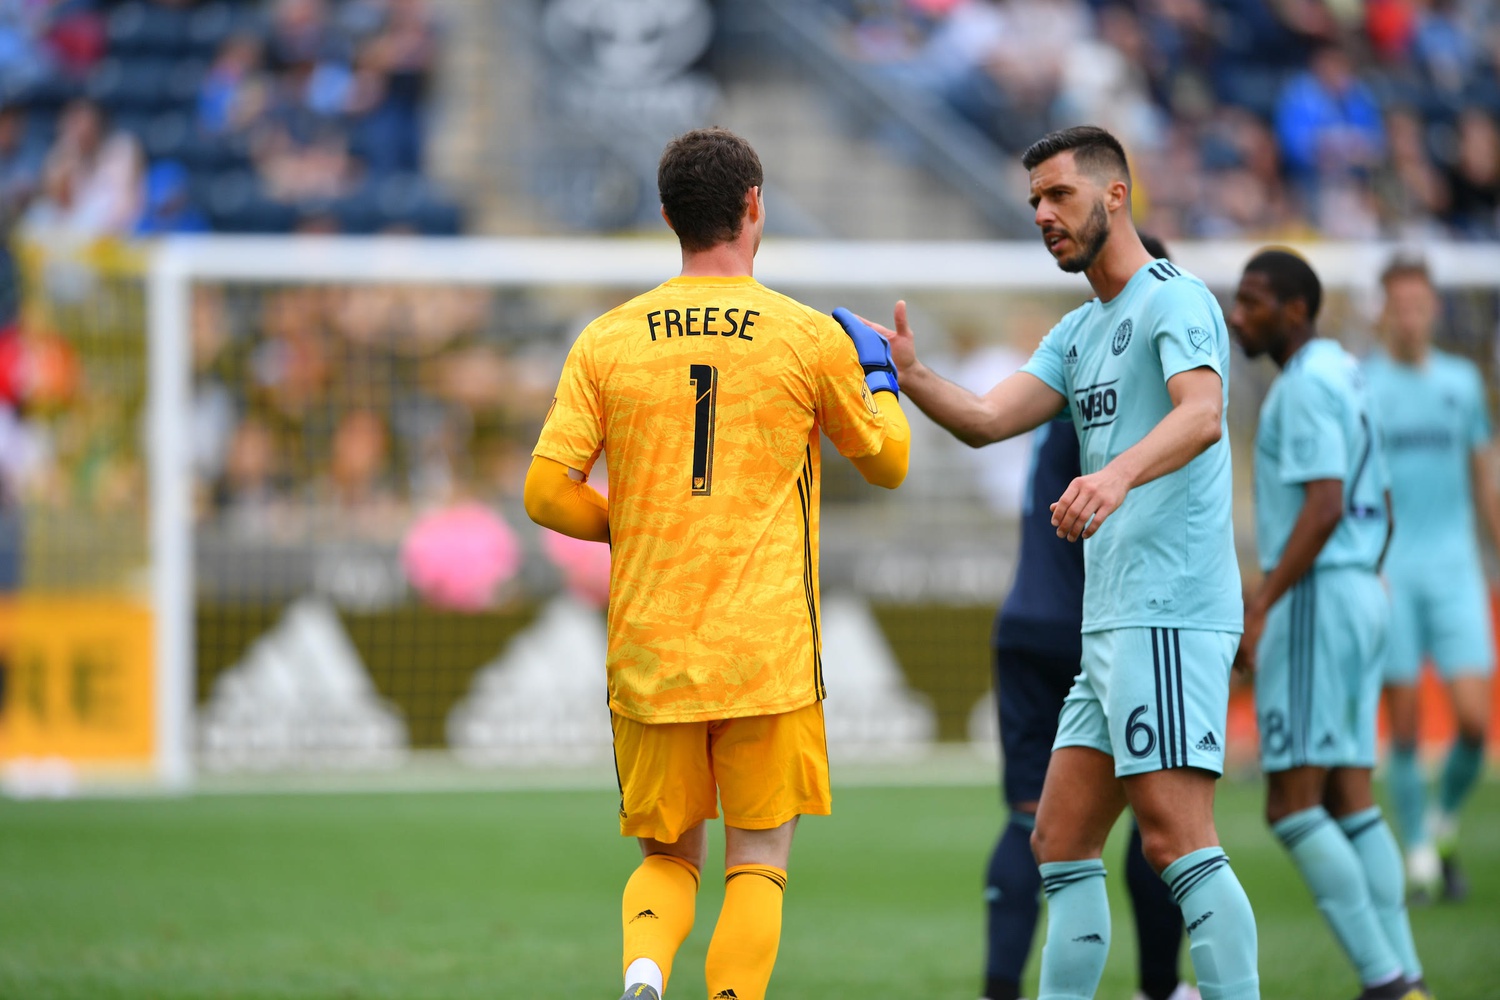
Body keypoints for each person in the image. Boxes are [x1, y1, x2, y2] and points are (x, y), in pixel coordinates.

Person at [842, 124, 1259, 1000]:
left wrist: (1110, 473)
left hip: (1170, 612)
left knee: (1176, 840)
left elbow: (1201, 414)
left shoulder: (1174, 301)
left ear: (1115, 195)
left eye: (1058, 195)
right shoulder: (1079, 331)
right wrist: (910, 376)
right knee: (1059, 839)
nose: (1042, 214)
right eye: (1034, 200)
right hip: (1105, 624)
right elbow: (990, 418)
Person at [523, 126, 910, 1000]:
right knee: (759, 859)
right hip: (766, 654)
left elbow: (546, 494)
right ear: (754, 207)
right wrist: (881, 375)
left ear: (667, 217)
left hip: (653, 647)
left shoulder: (607, 339)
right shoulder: (807, 337)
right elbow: (888, 465)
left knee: (668, 854)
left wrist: (640, 525)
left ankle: (646, 971)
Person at [979, 234, 1197, 1000]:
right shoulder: (1126, 389)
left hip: (1023, 621)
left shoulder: (1069, 378)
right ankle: (1165, 985)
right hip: (1097, 625)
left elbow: (987, 422)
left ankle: (1001, 988)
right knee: (1160, 823)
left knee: (1032, 821)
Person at [1228, 249, 1428, 1000]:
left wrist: (1264, 601)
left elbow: (1323, 504)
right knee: (1351, 796)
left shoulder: (1305, 387)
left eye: (1253, 302)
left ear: (1297, 311)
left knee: (1291, 804)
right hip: (1362, 588)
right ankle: (1406, 976)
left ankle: (1385, 981)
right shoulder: (1348, 372)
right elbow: (1377, 500)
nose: (1237, 315)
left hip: (1317, 594)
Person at [1362, 255, 1500, 902]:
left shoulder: (1462, 383)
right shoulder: (1363, 386)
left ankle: (1441, 822)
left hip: (1455, 570)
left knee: (1474, 722)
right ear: (1385, 311)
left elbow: (1484, 478)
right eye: (1400, 304)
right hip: (1391, 571)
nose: (1411, 315)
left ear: (1433, 308)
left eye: (1420, 303)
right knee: (1408, 722)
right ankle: (1418, 850)